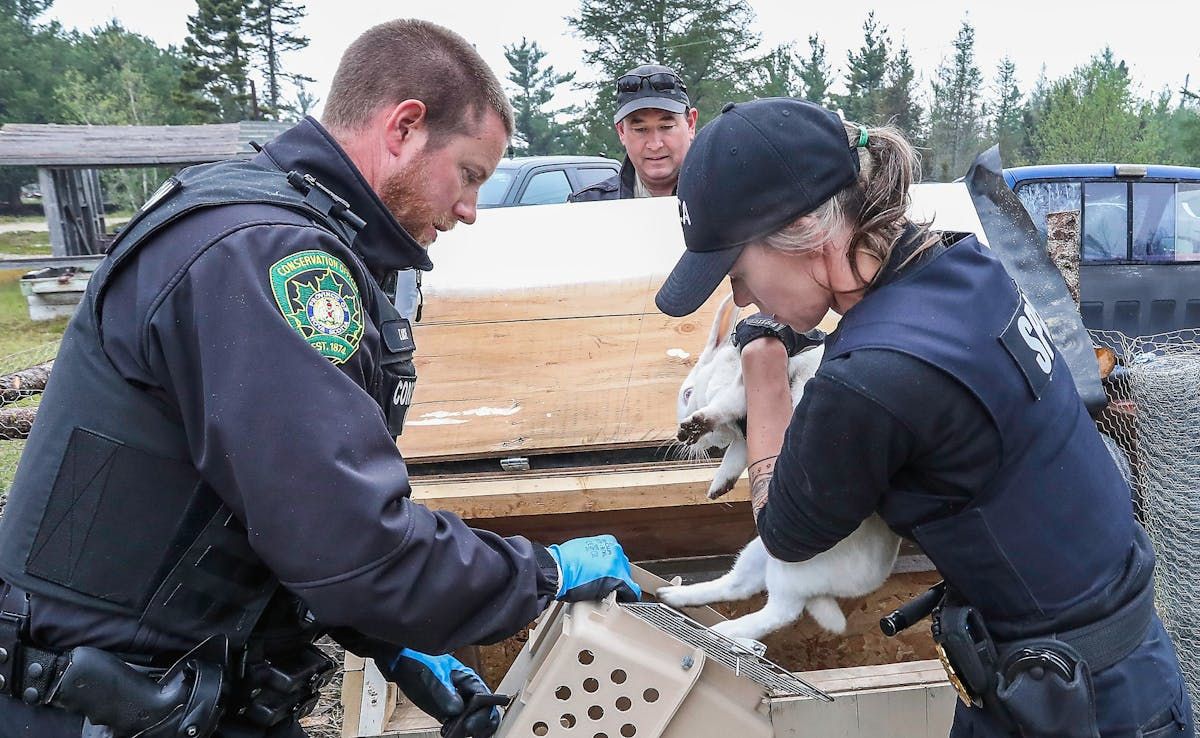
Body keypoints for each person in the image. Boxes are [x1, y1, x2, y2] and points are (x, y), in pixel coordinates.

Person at [0, 19, 640, 738]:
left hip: (170, 687)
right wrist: (545, 574)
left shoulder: (263, 223)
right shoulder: (266, 255)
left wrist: (388, 638)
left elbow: (273, 509)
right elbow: (353, 542)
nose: (470, 210)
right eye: (469, 175)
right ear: (403, 127)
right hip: (108, 705)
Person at [654, 97, 1192, 738]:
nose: (740, 296)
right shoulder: (964, 268)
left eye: (737, 270)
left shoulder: (872, 376)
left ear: (800, 229)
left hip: (1076, 708)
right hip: (1109, 666)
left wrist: (764, 369)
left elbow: (787, 531)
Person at [567, 64, 697, 202]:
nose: (655, 144)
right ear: (621, 131)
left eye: (666, 127)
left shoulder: (720, 197)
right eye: (640, 129)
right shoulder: (586, 209)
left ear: (690, 124)